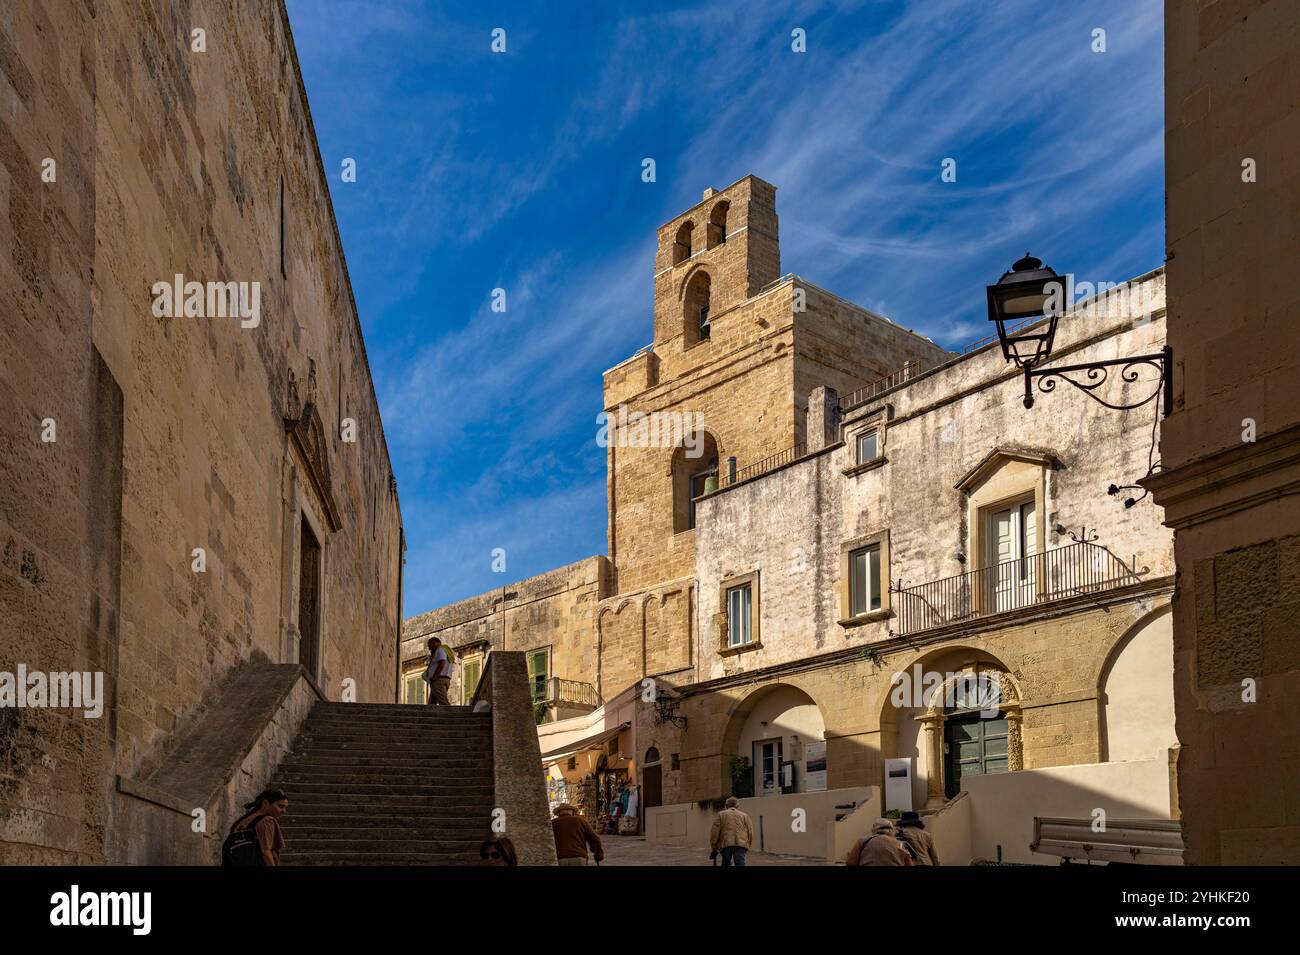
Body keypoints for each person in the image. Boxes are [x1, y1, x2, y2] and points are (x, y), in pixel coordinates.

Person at [223, 788, 288, 866]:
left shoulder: (241, 821)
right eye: (280, 806)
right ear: (265, 803)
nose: (284, 811)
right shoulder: (267, 821)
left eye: (285, 807)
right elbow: (266, 852)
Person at [846, 818, 914, 866]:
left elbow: (851, 863)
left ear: (874, 829)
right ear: (892, 830)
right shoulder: (900, 844)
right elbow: (909, 864)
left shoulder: (863, 840)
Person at [709, 796, 754, 867]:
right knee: (740, 864)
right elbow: (750, 831)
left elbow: (715, 832)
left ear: (726, 805)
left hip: (726, 844)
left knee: (726, 864)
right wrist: (748, 844)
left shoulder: (721, 815)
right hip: (741, 844)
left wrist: (714, 845)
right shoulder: (744, 815)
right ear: (737, 805)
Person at [423, 636, 451, 706]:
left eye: (430, 646)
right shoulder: (444, 651)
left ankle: (452, 716)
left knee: (444, 703)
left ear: (435, 643)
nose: (429, 648)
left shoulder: (440, 650)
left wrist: (435, 677)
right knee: (431, 704)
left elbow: (442, 663)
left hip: (439, 680)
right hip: (440, 680)